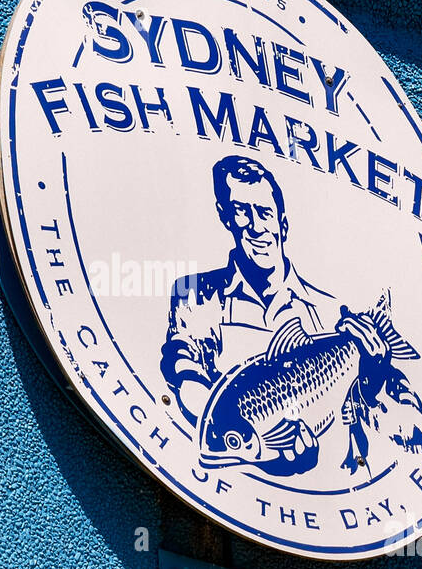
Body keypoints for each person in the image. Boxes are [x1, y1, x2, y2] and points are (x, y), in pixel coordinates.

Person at [160, 155, 395, 431]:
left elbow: (351, 408)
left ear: (283, 223)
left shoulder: (329, 310)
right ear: (225, 216)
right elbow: (186, 372)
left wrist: (373, 375)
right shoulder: (196, 295)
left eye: (264, 212)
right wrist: (244, 438)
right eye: (241, 211)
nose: (256, 226)